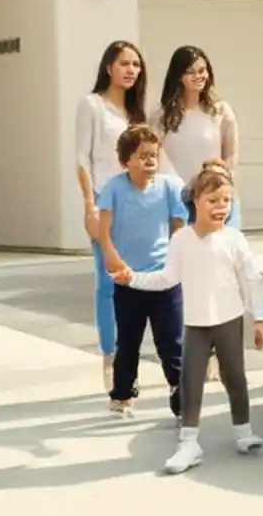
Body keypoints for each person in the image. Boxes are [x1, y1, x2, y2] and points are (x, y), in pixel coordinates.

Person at [112, 162, 263, 474]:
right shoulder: (181, 239)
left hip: (229, 318)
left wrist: (260, 317)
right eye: (213, 200)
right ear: (195, 200)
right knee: (190, 379)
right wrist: (132, 279)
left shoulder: (235, 239)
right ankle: (189, 443)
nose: (221, 207)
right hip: (196, 323)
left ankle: (243, 431)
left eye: (227, 200)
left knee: (234, 376)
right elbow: (167, 278)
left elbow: (252, 280)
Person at [155, 45, 241, 382]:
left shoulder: (221, 111)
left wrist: (217, 183)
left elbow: (231, 154)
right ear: (179, 75)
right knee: (190, 283)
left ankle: (223, 352)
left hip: (218, 204)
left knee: (222, 280)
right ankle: (197, 352)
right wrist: (185, 189)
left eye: (204, 70)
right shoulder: (162, 115)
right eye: (192, 71)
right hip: (181, 204)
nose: (199, 76)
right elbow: (159, 157)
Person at [96, 124, 189, 419]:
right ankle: (123, 393)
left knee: (172, 342)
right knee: (129, 342)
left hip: (164, 281)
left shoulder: (170, 187)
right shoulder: (114, 188)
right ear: (126, 162)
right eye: (142, 155)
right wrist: (112, 258)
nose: (150, 160)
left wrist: (177, 263)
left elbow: (178, 227)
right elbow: (103, 230)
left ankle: (180, 391)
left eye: (154, 155)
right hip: (129, 280)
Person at [74, 40, 147, 392]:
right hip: (104, 202)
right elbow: (81, 158)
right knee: (107, 283)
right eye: (125, 63)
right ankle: (110, 356)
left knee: (134, 283)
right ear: (108, 67)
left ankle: (129, 356)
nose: (132, 69)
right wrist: (89, 203)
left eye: (136, 64)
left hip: (136, 203)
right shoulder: (92, 105)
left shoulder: (136, 113)